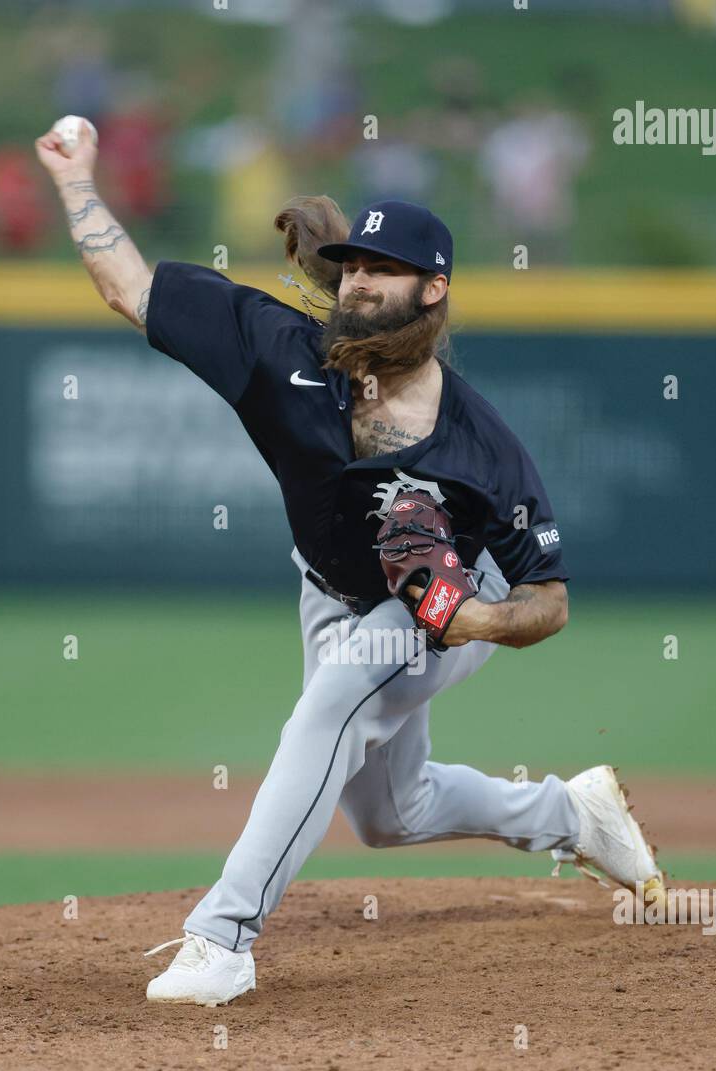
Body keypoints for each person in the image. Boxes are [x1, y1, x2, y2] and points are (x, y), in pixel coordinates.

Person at [35, 122, 664, 1007]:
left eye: (384, 269)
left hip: (453, 597)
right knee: (389, 815)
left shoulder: (478, 444)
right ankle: (571, 815)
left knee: (333, 700)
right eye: (353, 265)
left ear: (432, 290)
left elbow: (548, 599)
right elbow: (127, 289)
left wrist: (469, 619)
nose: (361, 280)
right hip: (329, 587)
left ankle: (223, 938)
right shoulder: (275, 346)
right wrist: (75, 181)